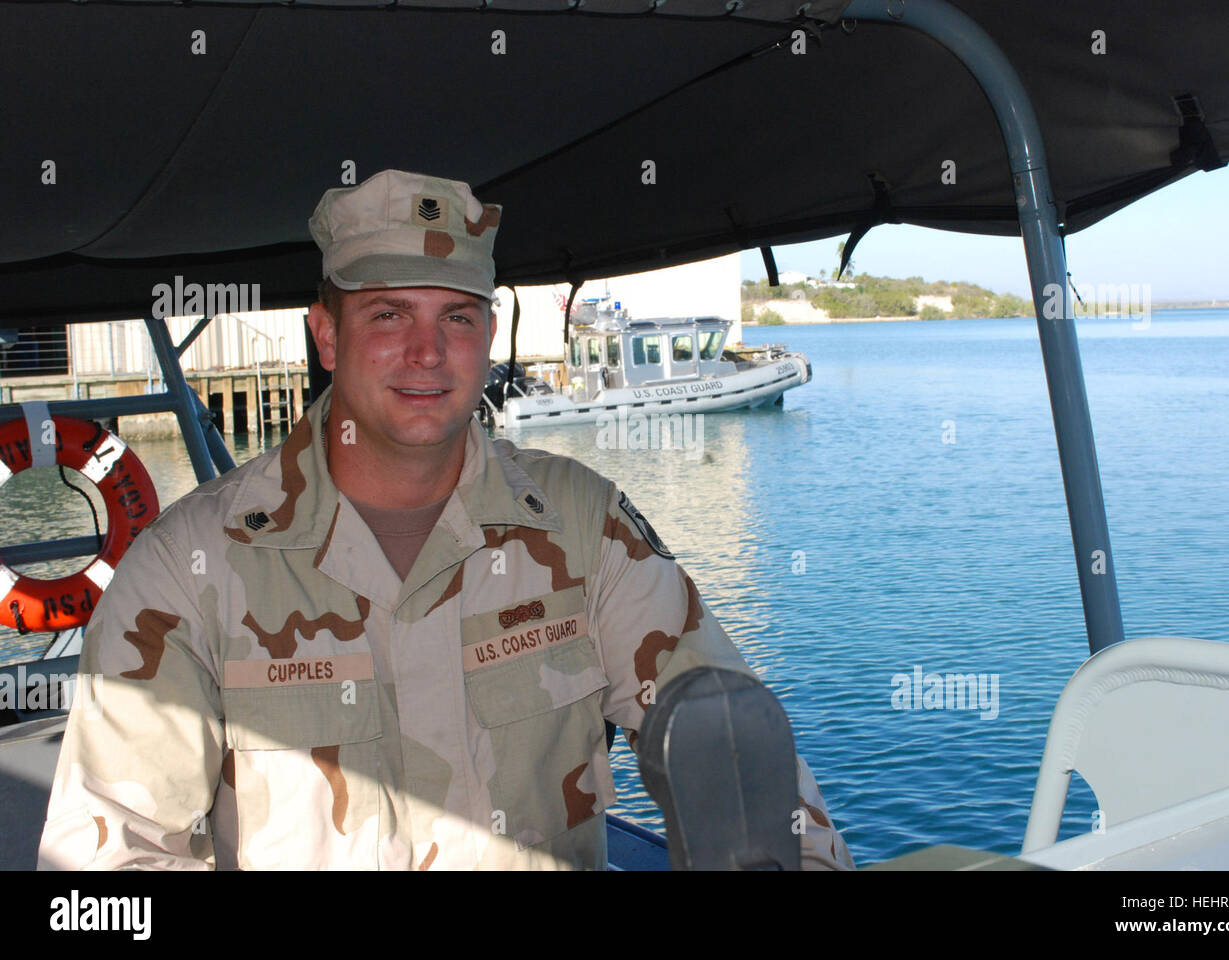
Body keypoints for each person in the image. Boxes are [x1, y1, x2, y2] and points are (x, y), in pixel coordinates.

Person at [38, 169, 854, 870]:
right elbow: (112, 858)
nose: (428, 352)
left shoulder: (580, 526)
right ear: (327, 335)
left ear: (488, 334)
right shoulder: (189, 567)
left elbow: (730, 740)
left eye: (456, 317)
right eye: (389, 314)